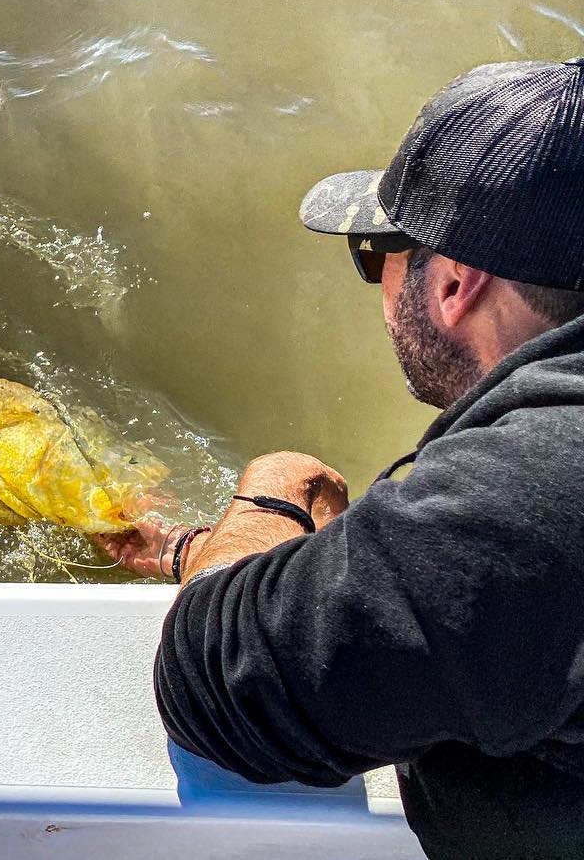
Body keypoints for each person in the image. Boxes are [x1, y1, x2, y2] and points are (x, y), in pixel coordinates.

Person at [95, 58, 584, 858]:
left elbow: (216, 680)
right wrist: (195, 548)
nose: (377, 281)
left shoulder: (516, 502)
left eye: (377, 252)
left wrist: (270, 502)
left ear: (455, 284)